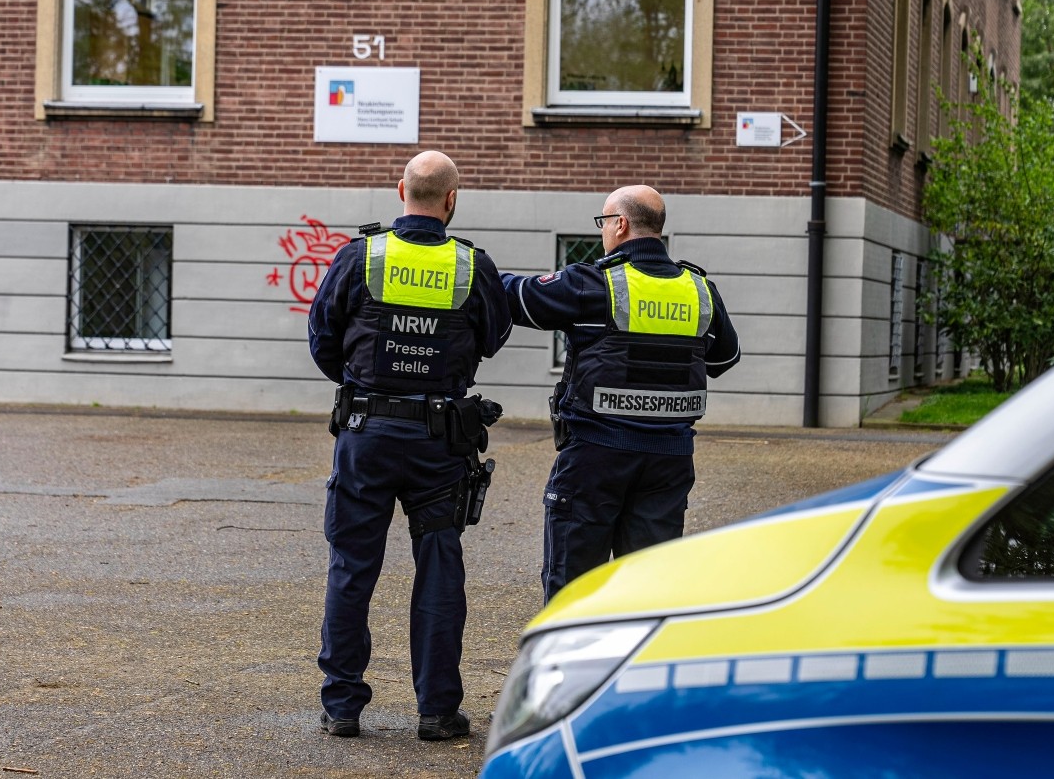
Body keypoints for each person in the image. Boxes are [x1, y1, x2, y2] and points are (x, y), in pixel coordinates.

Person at [307, 150, 512, 741]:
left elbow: (323, 339)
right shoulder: (472, 265)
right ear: (452, 199)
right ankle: (438, 711)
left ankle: (343, 707)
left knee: (351, 568)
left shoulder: (361, 255)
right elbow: (493, 337)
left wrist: (367, 380)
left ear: (402, 191)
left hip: (366, 435)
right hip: (439, 439)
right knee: (441, 568)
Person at [501, 185, 740, 602]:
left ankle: (572, 667)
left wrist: (472, 268)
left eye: (604, 222)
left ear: (621, 224)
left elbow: (517, 297)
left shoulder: (592, 283)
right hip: (669, 462)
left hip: (596, 457)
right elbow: (724, 358)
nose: (603, 232)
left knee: (573, 590)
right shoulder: (700, 290)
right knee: (649, 592)